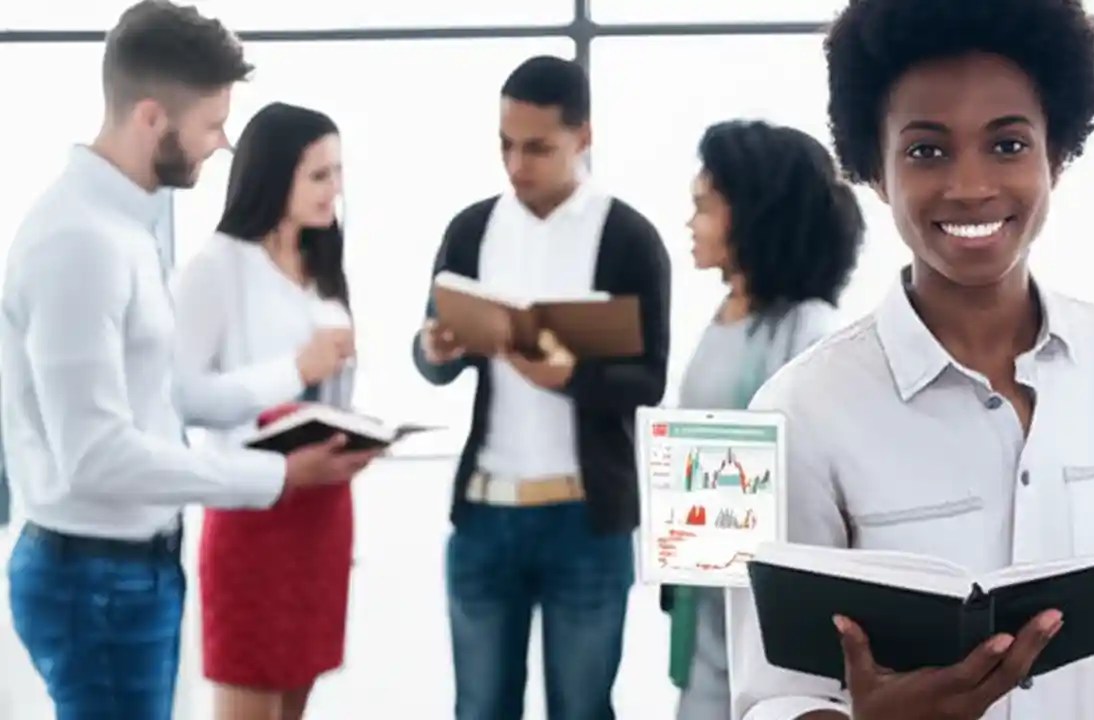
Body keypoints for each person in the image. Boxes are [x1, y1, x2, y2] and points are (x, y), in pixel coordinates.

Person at [728, 0, 1094, 719]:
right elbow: (772, 700)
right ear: (875, 170)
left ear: (1057, 153)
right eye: (926, 150)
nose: (970, 186)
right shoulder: (800, 408)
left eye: (1008, 144)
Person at [0, 3, 380, 718]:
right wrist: (275, 473)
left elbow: (164, 405)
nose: (222, 143)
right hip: (96, 576)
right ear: (152, 118)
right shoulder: (80, 243)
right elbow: (97, 457)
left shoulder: (121, 229)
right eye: (210, 124)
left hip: (126, 567)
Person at [412, 55, 671, 720]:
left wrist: (570, 377)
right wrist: (434, 349)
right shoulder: (472, 229)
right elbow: (434, 360)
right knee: (479, 708)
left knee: (583, 709)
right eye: (505, 144)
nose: (516, 164)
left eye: (537, 147)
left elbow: (649, 379)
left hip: (585, 519)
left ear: (583, 136)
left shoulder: (629, 237)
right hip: (484, 511)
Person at [667, 119, 863, 720]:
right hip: (705, 583)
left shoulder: (805, 328)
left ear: (752, 213)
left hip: (761, 593)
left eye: (704, 206)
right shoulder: (723, 315)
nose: (690, 222)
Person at [171, 101, 357, 720]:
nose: (335, 189)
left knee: (298, 701)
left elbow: (333, 397)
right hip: (251, 516)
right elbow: (184, 397)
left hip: (321, 514)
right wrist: (295, 370)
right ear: (274, 175)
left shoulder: (322, 269)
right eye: (319, 175)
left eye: (337, 173)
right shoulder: (214, 269)